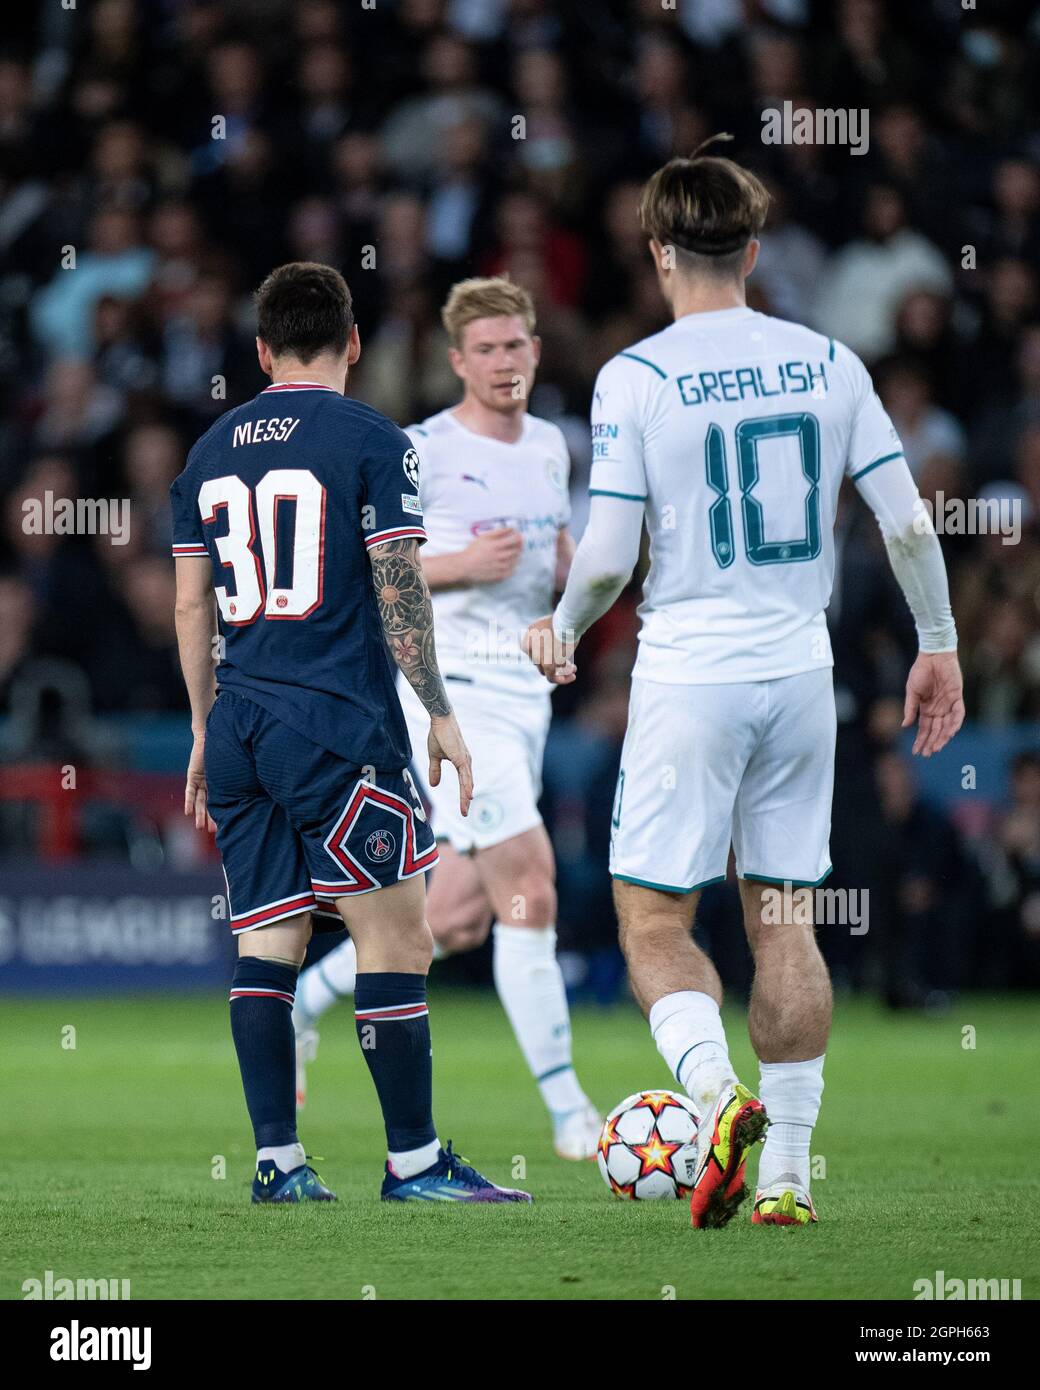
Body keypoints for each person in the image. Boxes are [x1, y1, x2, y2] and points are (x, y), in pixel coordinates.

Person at [525, 138, 964, 1228]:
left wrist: (564, 625)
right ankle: (786, 1181)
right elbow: (905, 519)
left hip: (689, 669)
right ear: (755, 250)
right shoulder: (827, 362)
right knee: (782, 917)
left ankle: (717, 1101)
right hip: (799, 668)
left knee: (651, 919)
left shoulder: (634, 375)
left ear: (657, 252)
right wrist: (938, 641)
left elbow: (610, 547)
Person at [171, 260, 530, 1205]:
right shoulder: (375, 439)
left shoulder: (208, 451)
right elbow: (397, 585)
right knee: (396, 939)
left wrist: (205, 733)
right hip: (337, 723)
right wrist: (441, 714)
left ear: (260, 350)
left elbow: (187, 606)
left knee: (266, 945)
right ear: (354, 343)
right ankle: (412, 1161)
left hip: (242, 725)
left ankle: (277, 1163)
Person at [293, 276, 602, 1160]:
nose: (506, 362)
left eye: (518, 346)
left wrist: (567, 622)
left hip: (526, 698)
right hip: (451, 696)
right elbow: (364, 567)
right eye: (488, 350)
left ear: (536, 352)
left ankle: (300, 1008)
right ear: (459, 361)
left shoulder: (551, 446)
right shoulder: (417, 448)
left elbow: (558, 556)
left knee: (458, 916)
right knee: (532, 886)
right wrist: (462, 564)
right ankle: (570, 1112)